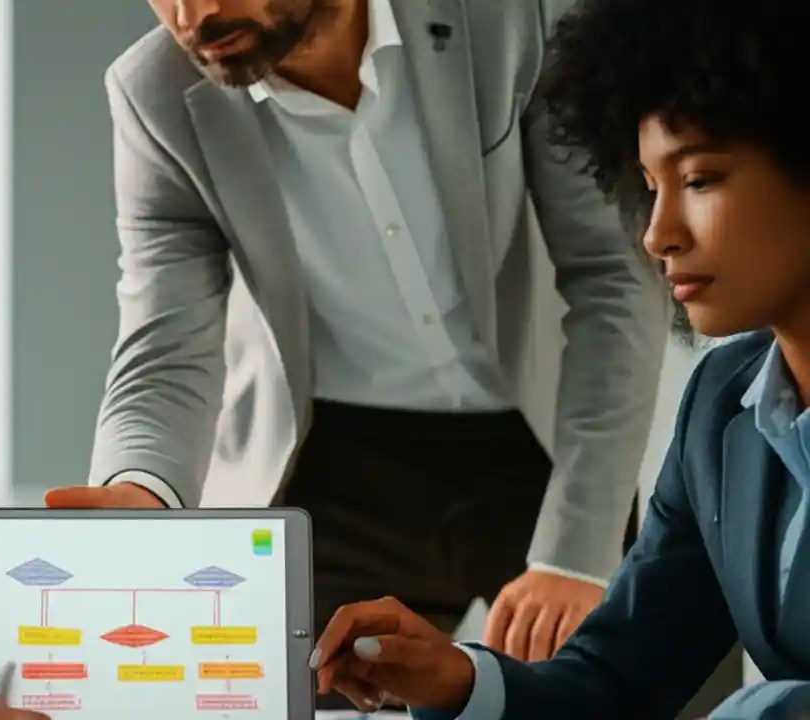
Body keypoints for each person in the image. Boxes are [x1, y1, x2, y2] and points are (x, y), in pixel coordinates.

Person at [43, 0, 668, 699]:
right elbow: (166, 345)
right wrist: (141, 491)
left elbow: (615, 278)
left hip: (538, 439)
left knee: (631, 691)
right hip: (331, 459)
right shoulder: (155, 92)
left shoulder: (507, 20)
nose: (196, 12)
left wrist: (578, 556)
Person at [309, 0, 810, 717]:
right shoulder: (721, 406)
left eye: (699, 180)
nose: (657, 235)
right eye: (647, 189)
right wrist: (457, 679)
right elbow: (617, 680)